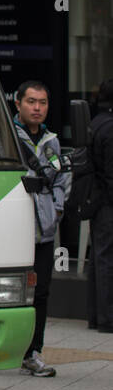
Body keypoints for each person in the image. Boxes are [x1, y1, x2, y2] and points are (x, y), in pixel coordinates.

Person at [0, 80, 70, 376]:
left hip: (43, 229)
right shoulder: (0, 139)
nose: (37, 108)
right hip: (12, 229)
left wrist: (57, 208)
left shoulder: (52, 141)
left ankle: (33, 353)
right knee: (1, 290)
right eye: (31, 102)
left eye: (43, 103)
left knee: (41, 293)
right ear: (17, 104)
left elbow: (62, 179)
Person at [85, 79, 113, 333]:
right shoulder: (110, 127)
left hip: (97, 199)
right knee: (105, 259)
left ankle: (96, 315)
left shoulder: (95, 123)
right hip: (107, 202)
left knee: (98, 257)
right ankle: (107, 318)